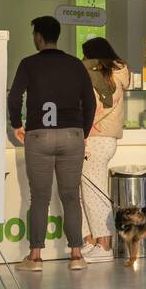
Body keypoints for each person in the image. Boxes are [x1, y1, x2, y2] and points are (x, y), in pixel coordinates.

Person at [8, 16, 96, 272]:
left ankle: (35, 257)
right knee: (71, 196)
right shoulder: (75, 65)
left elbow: (15, 98)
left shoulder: (28, 64)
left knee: (40, 198)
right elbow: (89, 102)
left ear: (38, 36)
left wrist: (16, 124)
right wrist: (83, 132)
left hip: (39, 135)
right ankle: (77, 255)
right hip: (72, 136)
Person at [79, 37, 130, 263]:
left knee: (94, 193)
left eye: (85, 56)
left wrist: (85, 126)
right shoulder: (116, 74)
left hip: (97, 138)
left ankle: (104, 244)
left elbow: (97, 107)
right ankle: (93, 241)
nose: (83, 60)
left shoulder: (105, 78)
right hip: (103, 139)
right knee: (89, 191)